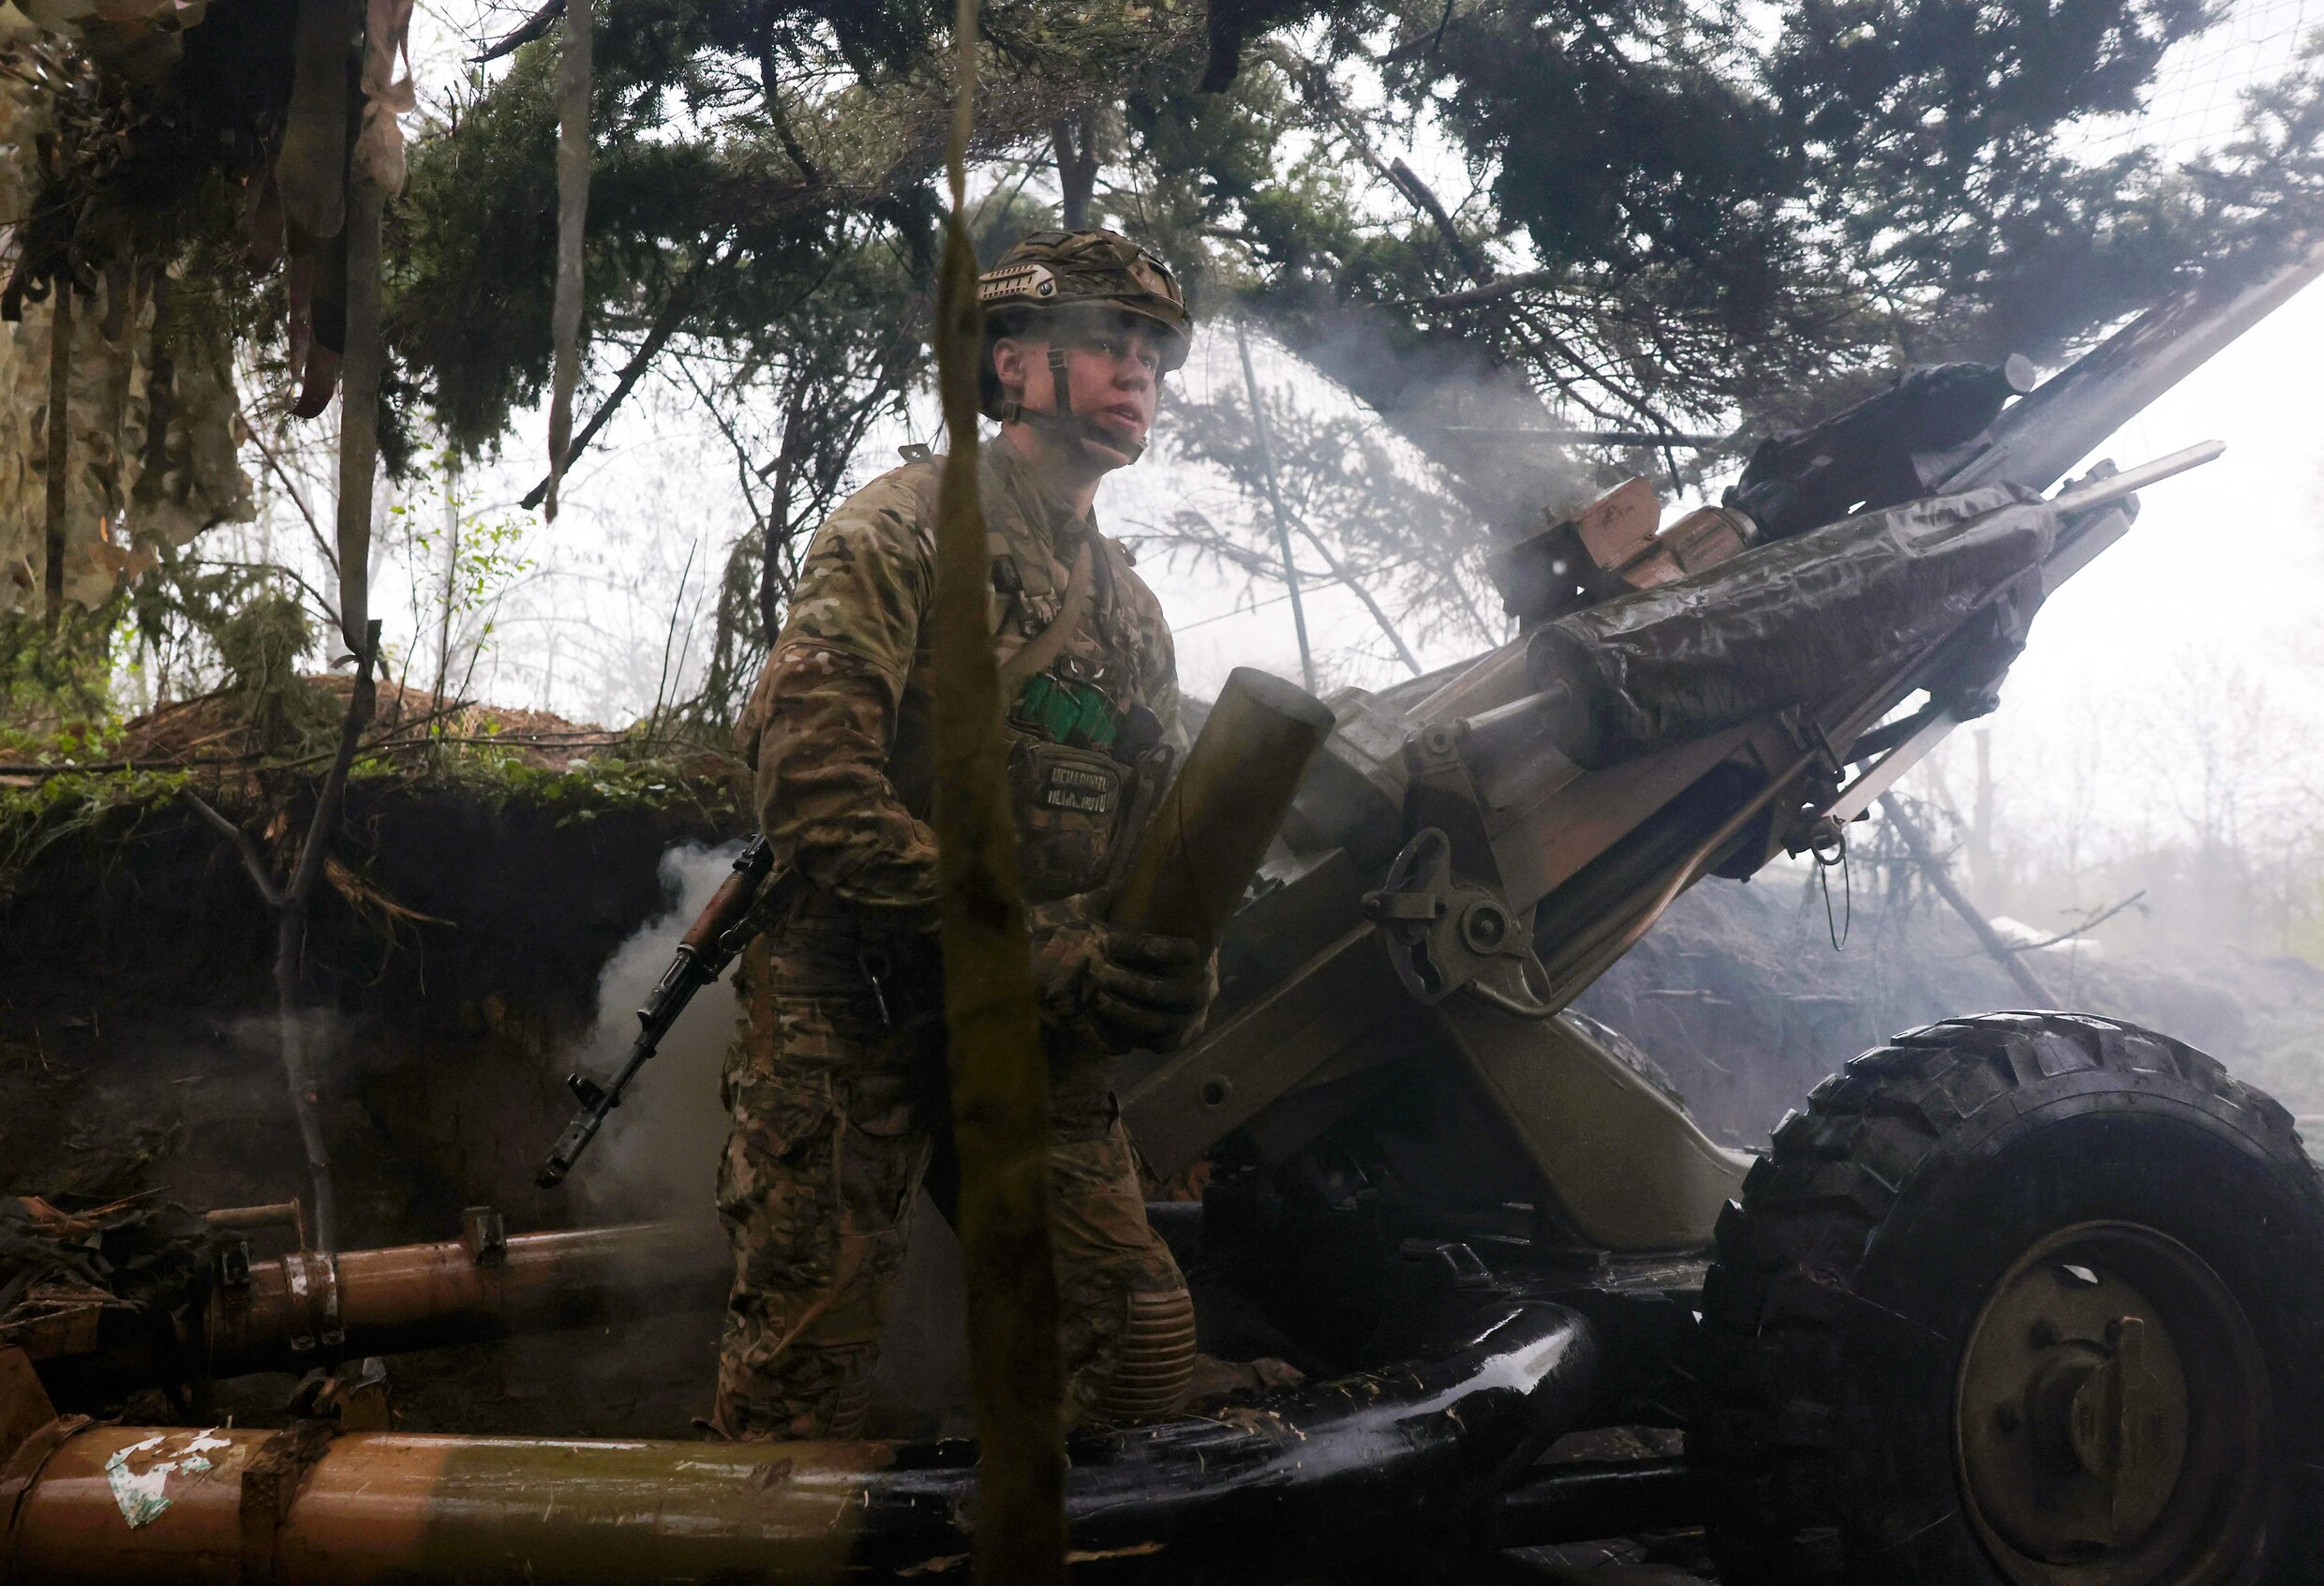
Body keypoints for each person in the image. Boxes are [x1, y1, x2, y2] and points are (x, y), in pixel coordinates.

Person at [715, 229, 1214, 1440]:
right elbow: (816, 796)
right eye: (1105, 345)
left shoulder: (1132, 617)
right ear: (1008, 369)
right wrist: (1043, 948)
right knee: (802, 1383)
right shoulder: (901, 535)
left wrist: (1173, 975)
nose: (1137, 373)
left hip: (1023, 1034)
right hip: (855, 1007)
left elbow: (1148, 847)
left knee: (1137, 1341)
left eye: (1152, 352)